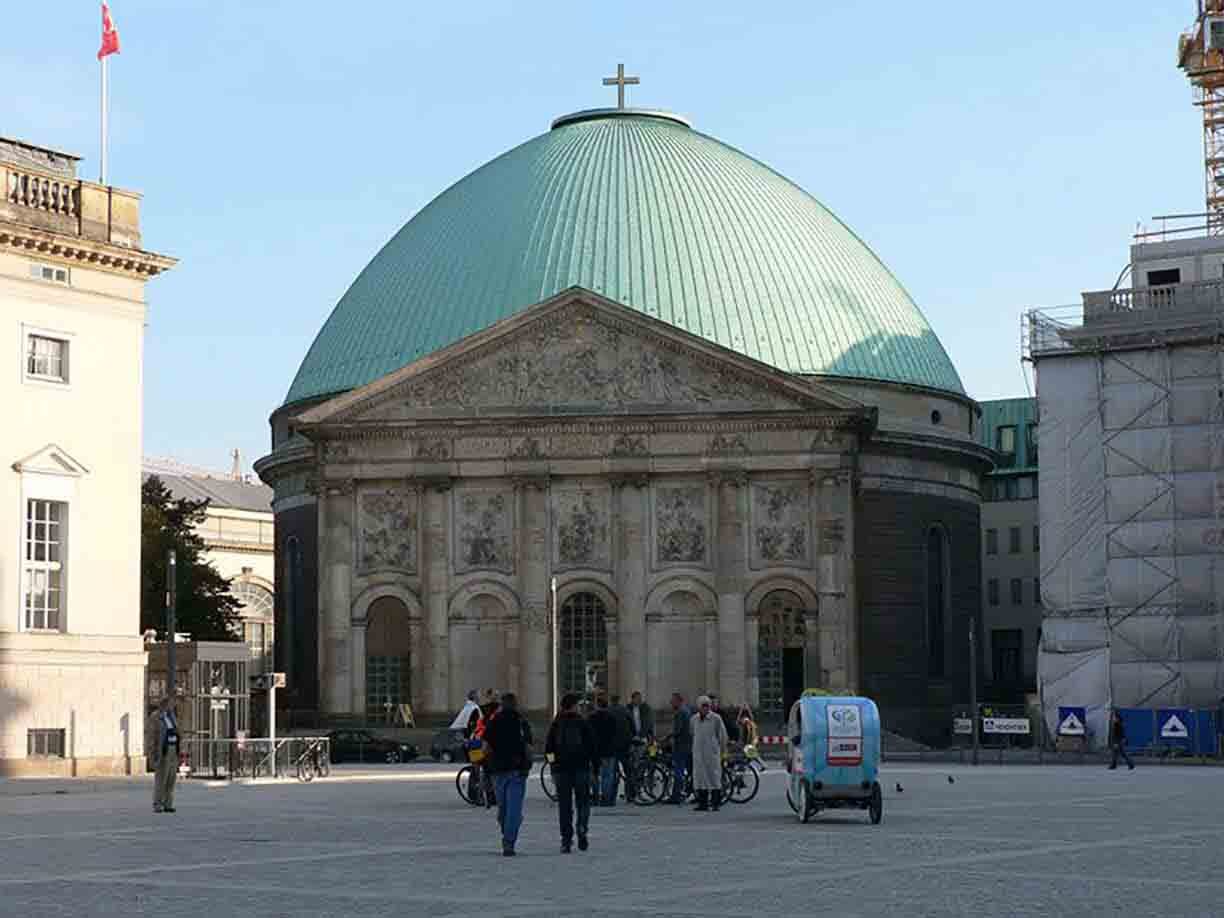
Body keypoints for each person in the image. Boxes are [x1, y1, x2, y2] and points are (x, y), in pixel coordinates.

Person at [545, 692, 597, 853]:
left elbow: (549, 749)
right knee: (583, 802)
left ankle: (566, 840)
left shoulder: (556, 724)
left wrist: (553, 766)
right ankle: (582, 828)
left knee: (565, 806)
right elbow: (592, 748)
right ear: (574, 706)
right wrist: (595, 769)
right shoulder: (583, 723)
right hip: (581, 768)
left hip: (561, 770)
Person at [483, 692, 533, 856]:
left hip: (498, 771)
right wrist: (527, 765)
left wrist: (486, 767)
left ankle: (508, 836)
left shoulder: (494, 722)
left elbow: (485, 747)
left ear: (502, 705)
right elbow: (529, 748)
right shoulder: (521, 722)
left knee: (504, 808)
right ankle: (509, 840)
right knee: (513, 808)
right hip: (517, 770)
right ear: (515, 703)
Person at [690, 695, 728, 811]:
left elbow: (722, 735)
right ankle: (703, 803)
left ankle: (716, 803)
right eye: (703, 706)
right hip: (698, 752)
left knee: (714, 777)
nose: (705, 708)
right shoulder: (694, 719)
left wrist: (722, 750)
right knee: (700, 778)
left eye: (707, 706)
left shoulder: (716, 718)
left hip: (712, 752)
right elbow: (692, 733)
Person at [588, 696, 619, 806]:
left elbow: (588, 735)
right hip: (609, 751)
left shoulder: (591, 718)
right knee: (608, 775)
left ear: (597, 705)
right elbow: (616, 734)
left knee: (594, 775)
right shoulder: (612, 717)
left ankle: (595, 797)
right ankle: (606, 798)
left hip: (595, 751)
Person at [150, 696, 180, 814]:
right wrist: (152, 755)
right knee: (161, 779)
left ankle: (168, 804)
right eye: (170, 704)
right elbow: (152, 737)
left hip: (173, 750)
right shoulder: (156, 717)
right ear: (164, 704)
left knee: (171, 778)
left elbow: (177, 731)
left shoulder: (172, 717)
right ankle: (158, 804)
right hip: (162, 750)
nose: (172, 707)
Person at [667, 692, 693, 804]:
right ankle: (686, 792)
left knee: (678, 770)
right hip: (688, 745)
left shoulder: (680, 712)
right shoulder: (686, 711)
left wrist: (666, 737)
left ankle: (676, 795)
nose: (670, 702)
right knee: (687, 770)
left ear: (678, 701)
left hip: (681, 746)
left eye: (672, 700)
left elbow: (677, 731)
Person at [609, 696, 636, 802]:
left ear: (611, 701)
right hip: (625, 744)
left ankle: (612, 796)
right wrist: (631, 737)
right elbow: (633, 726)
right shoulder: (625, 710)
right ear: (619, 701)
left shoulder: (608, 711)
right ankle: (630, 795)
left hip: (612, 745)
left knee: (613, 771)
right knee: (629, 770)